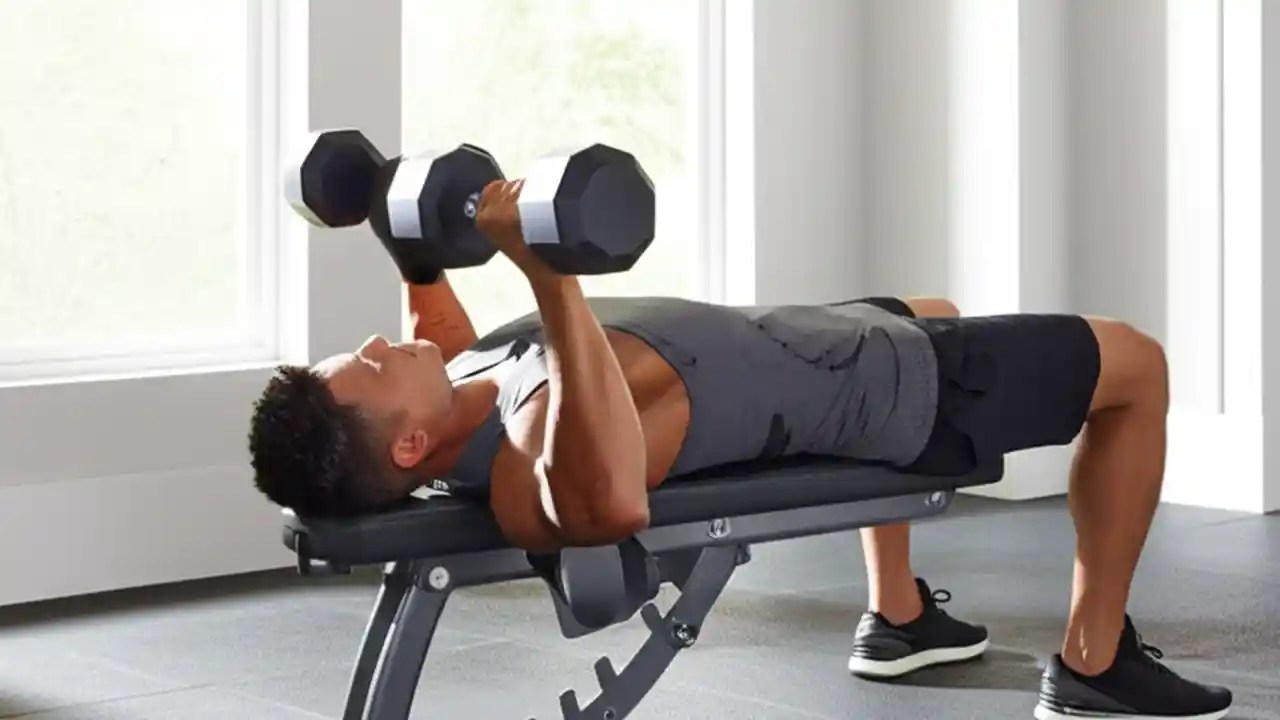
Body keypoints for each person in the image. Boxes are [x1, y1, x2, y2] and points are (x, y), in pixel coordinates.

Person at [248, 179, 1232, 720]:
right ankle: (1093, 661)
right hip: (885, 392)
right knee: (1134, 365)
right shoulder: (535, 441)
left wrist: (409, 234)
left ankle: (896, 618)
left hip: (798, 339)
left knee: (932, 304)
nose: (383, 343)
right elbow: (602, 507)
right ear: (412, 441)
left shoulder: (468, 396)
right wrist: (549, 278)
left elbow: (437, 337)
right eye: (370, 366)